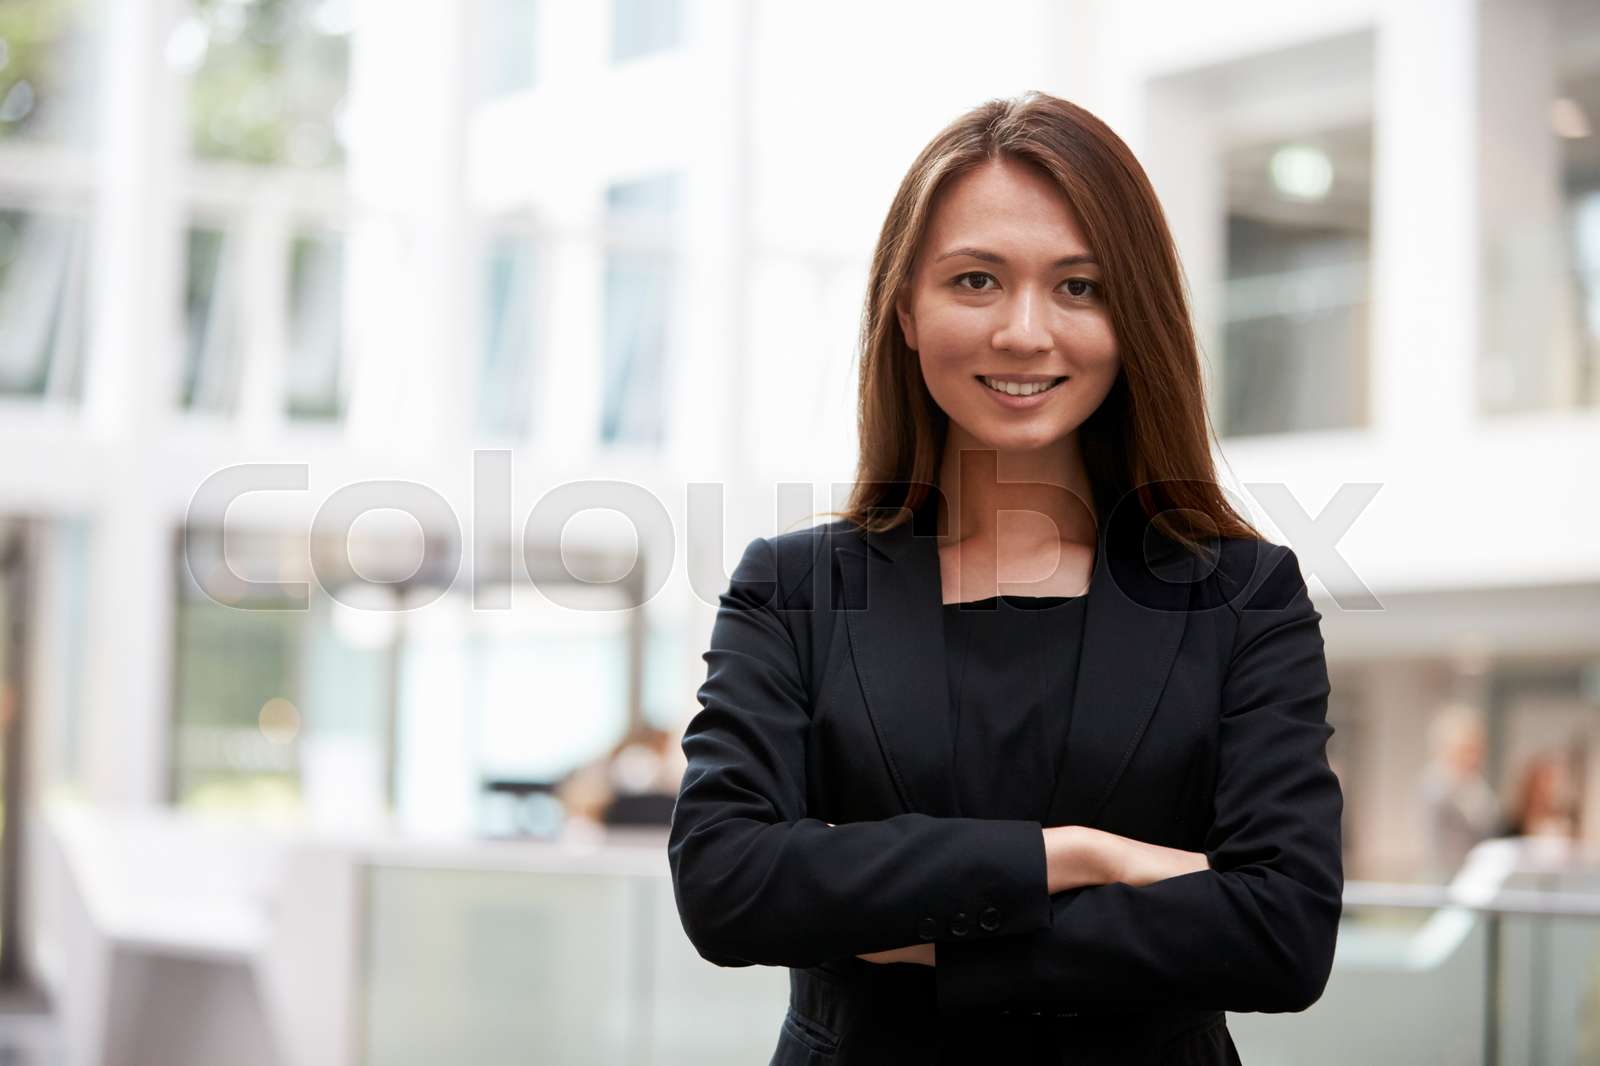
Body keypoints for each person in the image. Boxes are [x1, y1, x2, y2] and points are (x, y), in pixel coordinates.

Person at [667, 91, 1344, 1064]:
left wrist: (919, 932)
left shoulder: (1242, 596)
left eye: (1078, 287)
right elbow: (728, 883)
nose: (1025, 331)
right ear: (905, 310)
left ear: (1133, 316)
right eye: (976, 280)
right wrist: (1070, 855)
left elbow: (1281, 932)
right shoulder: (794, 590)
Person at [1416, 703, 1501, 882]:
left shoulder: (1476, 785)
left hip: (1475, 874)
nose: (1473, 757)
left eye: (1477, 749)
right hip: (1445, 875)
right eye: (1467, 749)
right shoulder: (1436, 784)